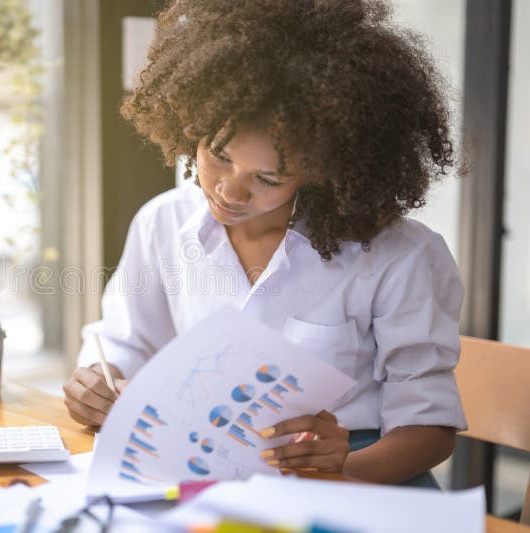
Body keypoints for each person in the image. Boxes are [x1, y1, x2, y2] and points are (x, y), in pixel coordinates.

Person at [63, 0, 466, 488]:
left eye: (268, 178)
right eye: (218, 155)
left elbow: (431, 429)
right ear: (191, 124)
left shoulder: (400, 256)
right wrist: (95, 386)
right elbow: (125, 346)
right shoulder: (163, 223)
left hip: (362, 484)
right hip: (205, 473)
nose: (229, 191)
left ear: (323, 167)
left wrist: (340, 470)